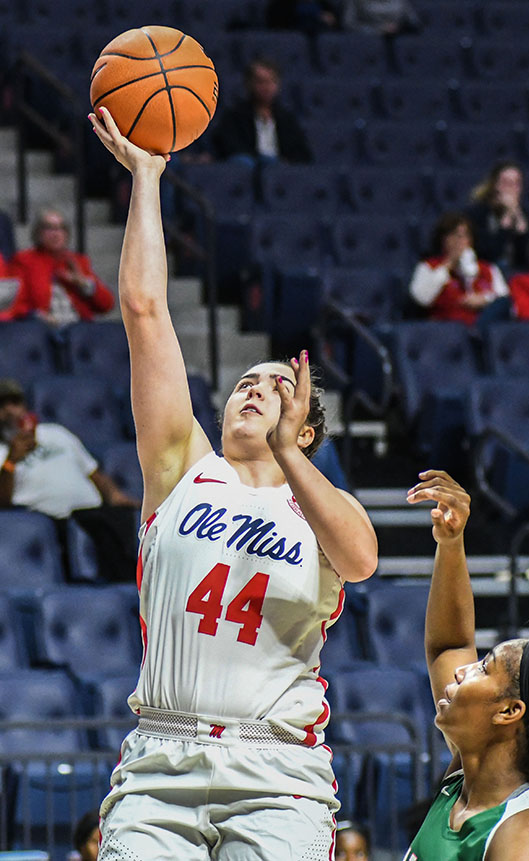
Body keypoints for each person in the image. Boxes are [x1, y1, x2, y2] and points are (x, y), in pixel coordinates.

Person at [88, 105, 377, 860]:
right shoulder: (182, 468)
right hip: (160, 762)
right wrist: (147, 178)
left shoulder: (321, 508)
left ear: (305, 427)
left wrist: (291, 459)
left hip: (278, 768)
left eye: (276, 386)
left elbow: (361, 559)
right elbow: (146, 313)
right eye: (244, 381)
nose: (253, 388)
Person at [403, 469, 529, 861]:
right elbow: (450, 643)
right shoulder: (466, 779)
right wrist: (451, 543)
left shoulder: (528, 831)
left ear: (509, 711)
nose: (464, 670)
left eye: (484, 668)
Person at [0, 378, 140, 581]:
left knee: (121, 522)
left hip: (98, 513)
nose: (10, 411)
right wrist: (11, 461)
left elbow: (93, 473)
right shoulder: (3, 452)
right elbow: (2, 503)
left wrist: (116, 496)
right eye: (2, 406)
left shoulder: (56, 433)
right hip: (56, 524)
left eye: (14, 403)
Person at [9, 208, 115, 325]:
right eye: (49, 228)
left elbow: (107, 305)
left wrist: (83, 283)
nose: (56, 233)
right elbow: (16, 304)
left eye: (61, 228)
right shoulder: (24, 260)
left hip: (79, 328)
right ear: (38, 233)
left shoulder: (78, 261)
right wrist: (37, 316)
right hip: (43, 328)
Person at [408, 212, 510, 326]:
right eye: (454, 235)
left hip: (484, 329)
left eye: (465, 235)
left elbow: (505, 301)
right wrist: (448, 265)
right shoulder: (429, 266)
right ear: (443, 239)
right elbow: (422, 298)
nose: (460, 241)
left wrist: (485, 299)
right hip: (447, 329)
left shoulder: (488, 269)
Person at [212, 58, 313, 164]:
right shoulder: (235, 115)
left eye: (271, 81)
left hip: (278, 170)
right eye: (261, 82)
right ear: (249, 84)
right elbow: (229, 146)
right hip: (250, 167)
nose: (266, 87)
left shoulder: (286, 118)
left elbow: (302, 152)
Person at [466, 160, 529, 273]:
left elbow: (528, 259)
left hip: (517, 274)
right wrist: (505, 222)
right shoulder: (477, 213)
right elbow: (488, 254)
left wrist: (520, 224)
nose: (511, 189)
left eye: (516, 184)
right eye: (506, 183)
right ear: (495, 185)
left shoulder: (525, 215)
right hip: (487, 271)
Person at [342, 0, 420, 35]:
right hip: (366, 45)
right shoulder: (356, 1)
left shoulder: (401, 2)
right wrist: (378, 29)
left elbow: (414, 23)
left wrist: (398, 28)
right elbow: (349, 24)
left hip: (399, 45)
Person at [266, 0, 339, 34]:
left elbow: (336, 26)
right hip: (290, 42)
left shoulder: (325, 6)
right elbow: (274, 26)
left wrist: (331, 21)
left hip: (320, 42)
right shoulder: (279, 6)